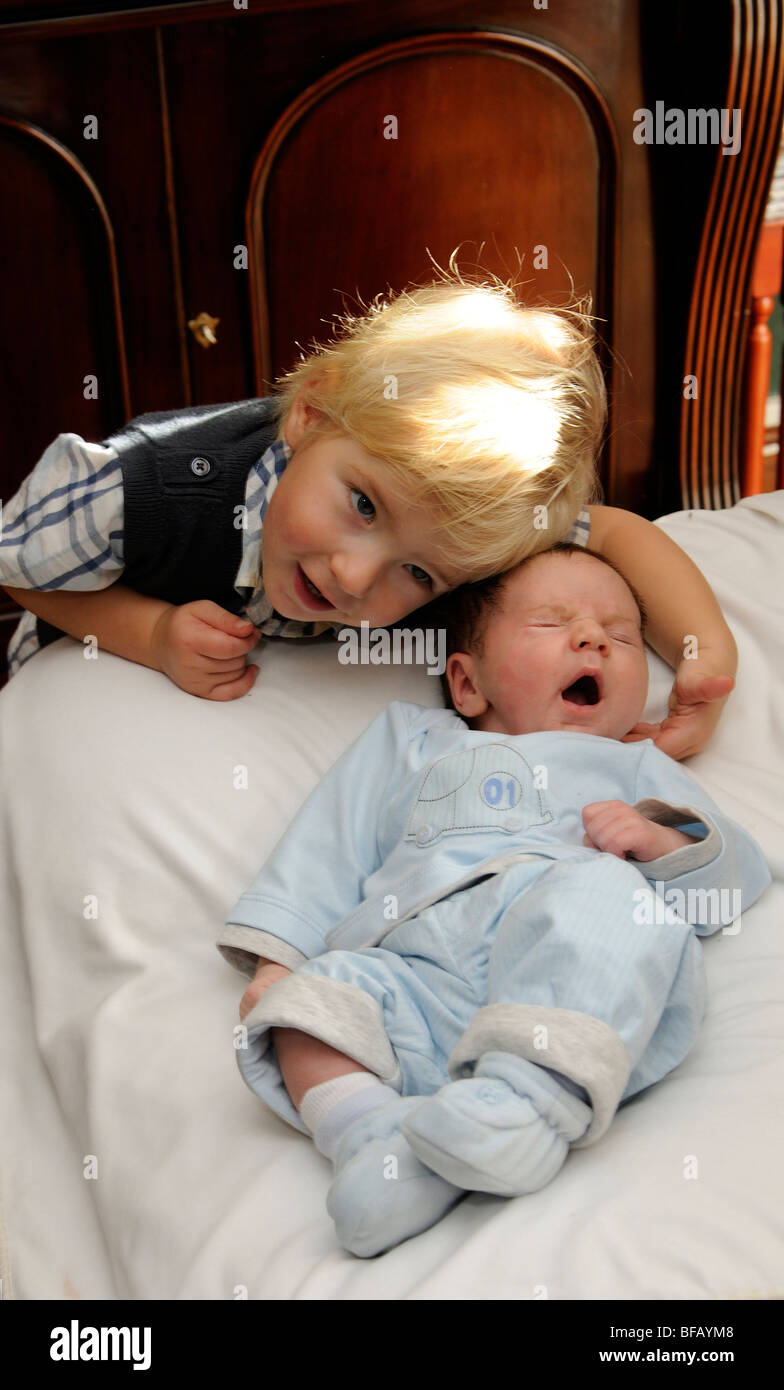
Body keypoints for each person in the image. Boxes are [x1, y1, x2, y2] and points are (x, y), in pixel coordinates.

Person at [218, 545, 771, 1257]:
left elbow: (732, 886)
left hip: (561, 975)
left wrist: (660, 842)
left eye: (622, 634)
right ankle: (378, 1145)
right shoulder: (409, 740)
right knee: (312, 1004)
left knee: (609, 897)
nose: (593, 638)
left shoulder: (636, 765)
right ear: (467, 682)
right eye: (552, 622)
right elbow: (329, 841)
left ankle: (527, 1103)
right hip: (412, 968)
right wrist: (277, 958)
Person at [1, 277, 731, 758]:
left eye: (417, 573)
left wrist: (705, 655)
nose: (354, 576)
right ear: (314, 409)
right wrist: (151, 633)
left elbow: (614, 532)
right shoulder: (141, 486)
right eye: (361, 505)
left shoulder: (464, 531)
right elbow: (20, 567)